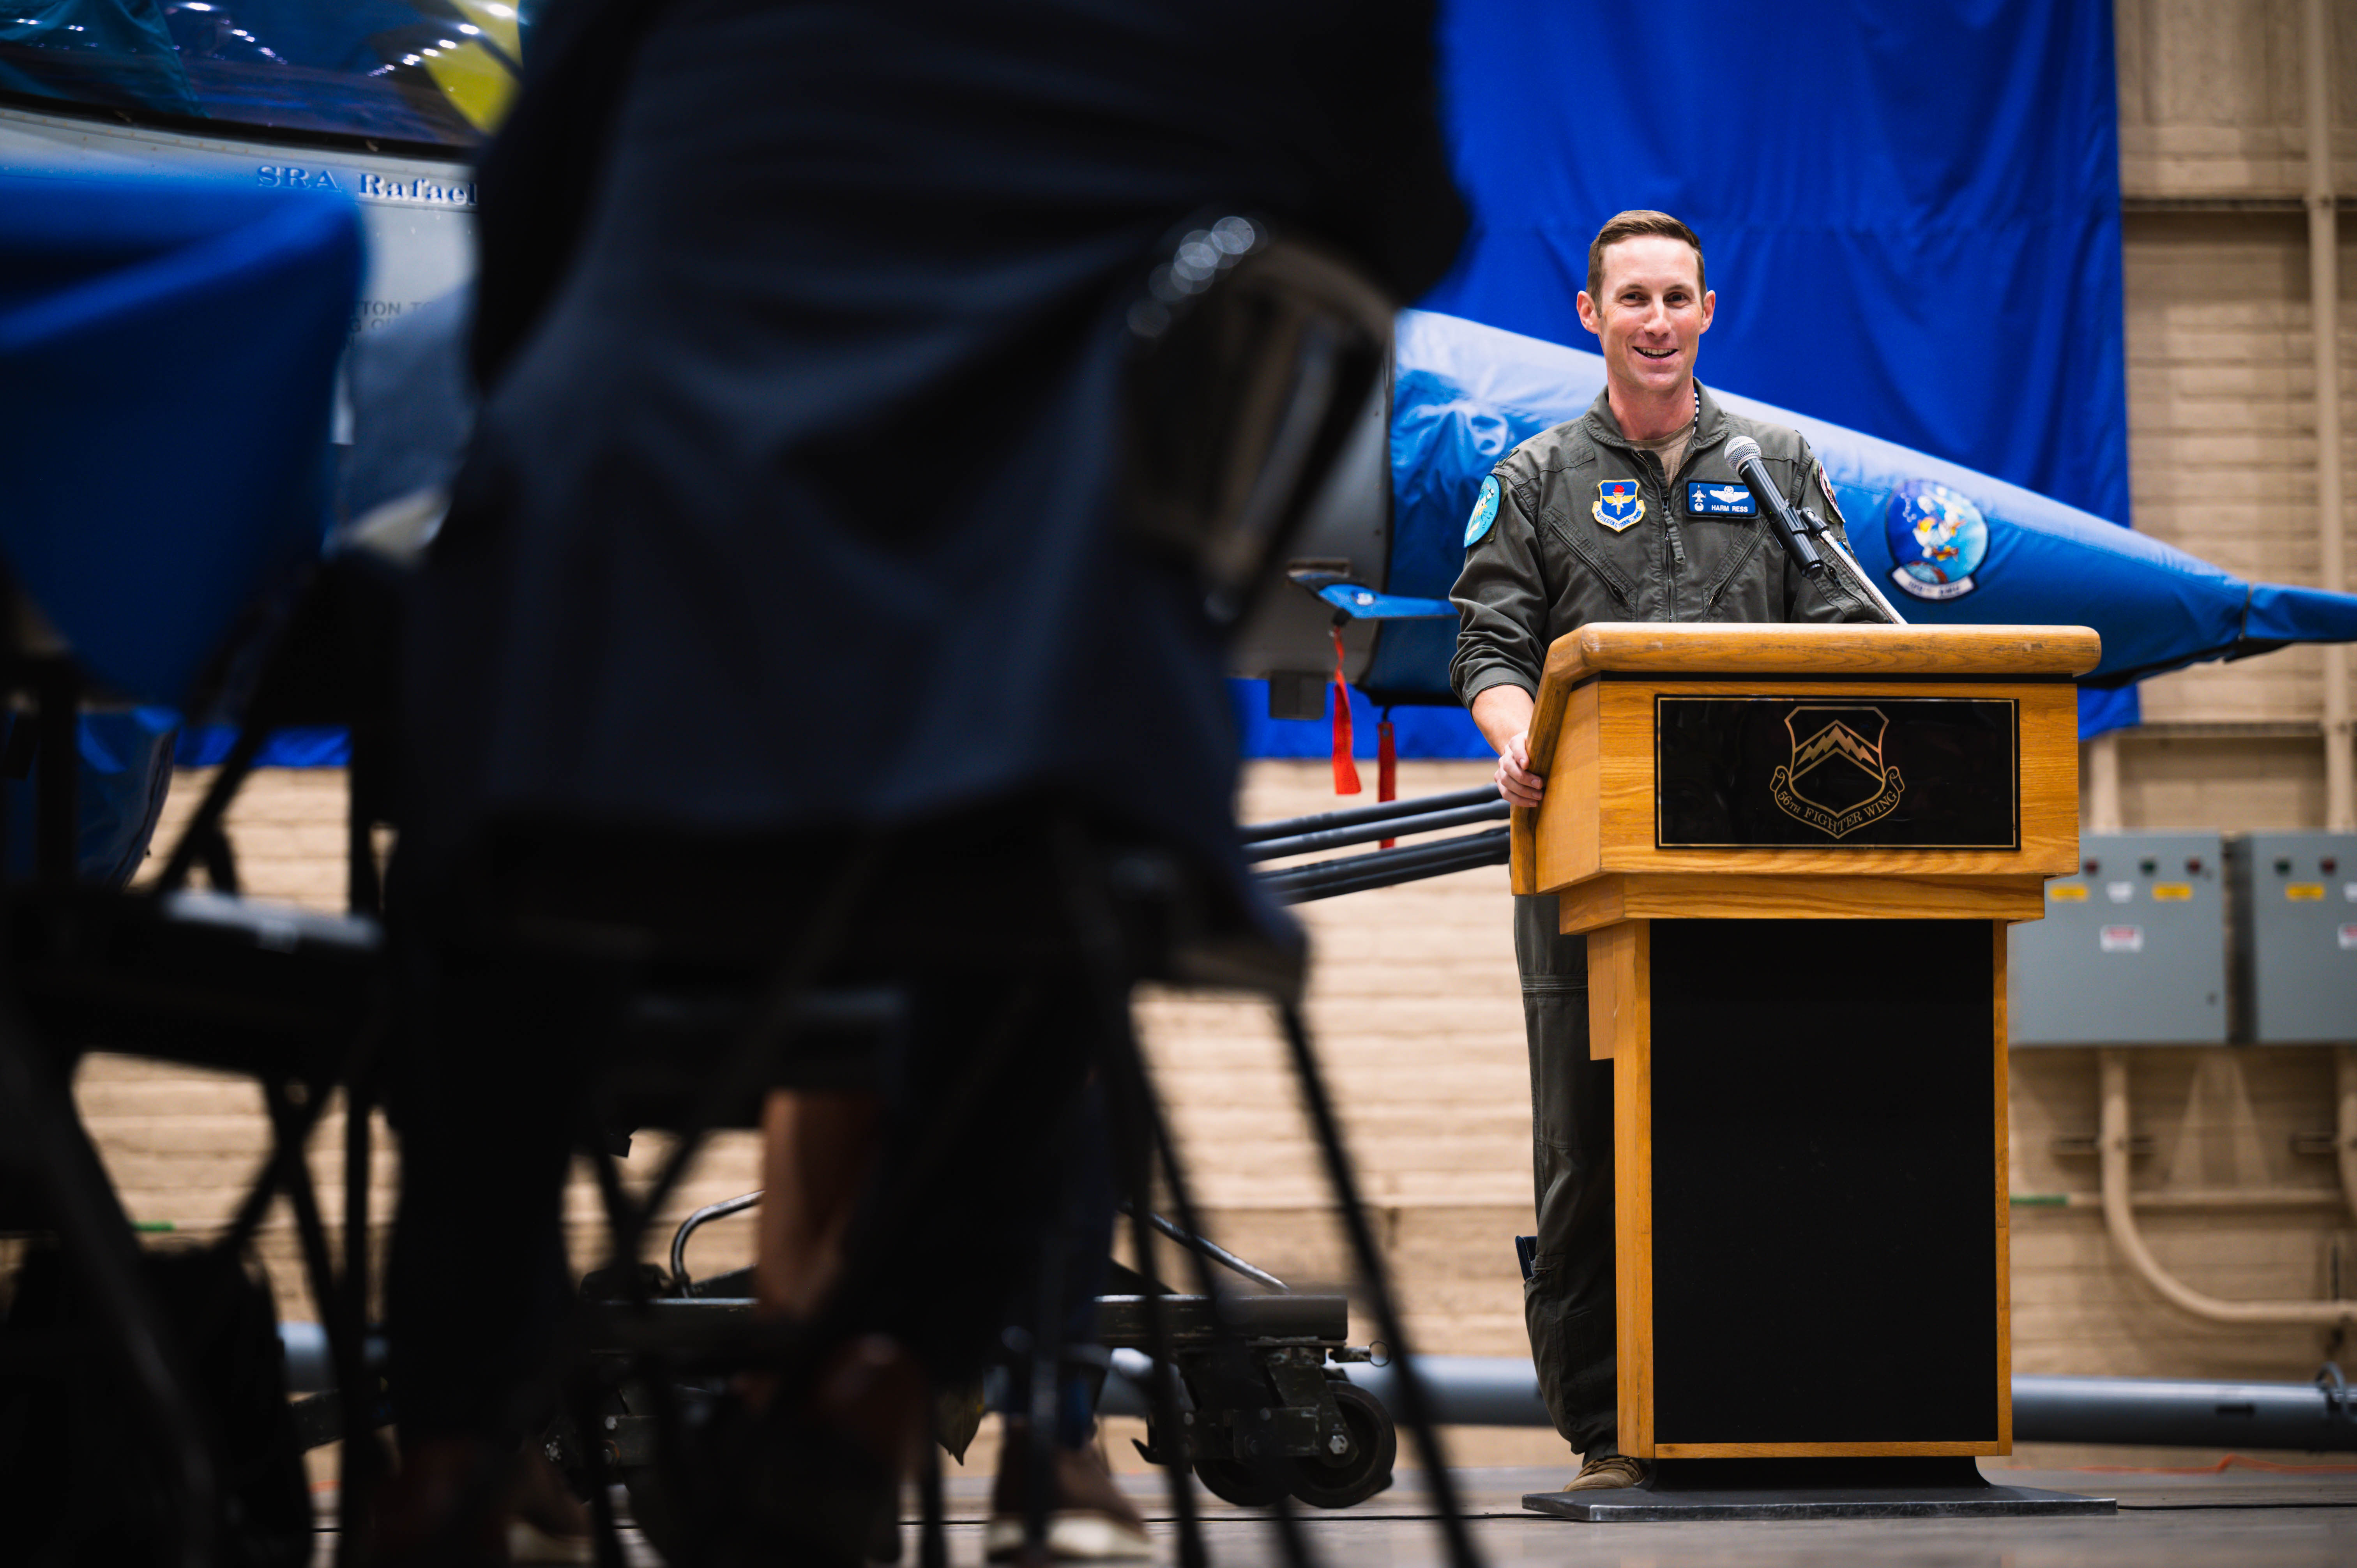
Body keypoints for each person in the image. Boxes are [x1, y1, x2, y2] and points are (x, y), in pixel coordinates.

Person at [375, 2, 1466, 1563]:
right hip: (1011, 691)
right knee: (1044, 830)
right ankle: (876, 1377)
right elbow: (1398, 228)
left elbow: (533, 212)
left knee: (495, 832)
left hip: (611, 650)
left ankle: (458, 1446)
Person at [1449, 209, 1871, 1494]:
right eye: (1631, 296)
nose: (1656, 319)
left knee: (1764, 1130)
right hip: (1588, 867)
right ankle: (1602, 1431)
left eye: (1677, 296)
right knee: (1589, 1148)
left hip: (1763, 868)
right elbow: (1490, 644)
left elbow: (1852, 636)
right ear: (1592, 315)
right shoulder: (1533, 480)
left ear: (1706, 311)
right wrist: (1514, 736)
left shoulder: (1780, 463)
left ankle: (1773, 1405)